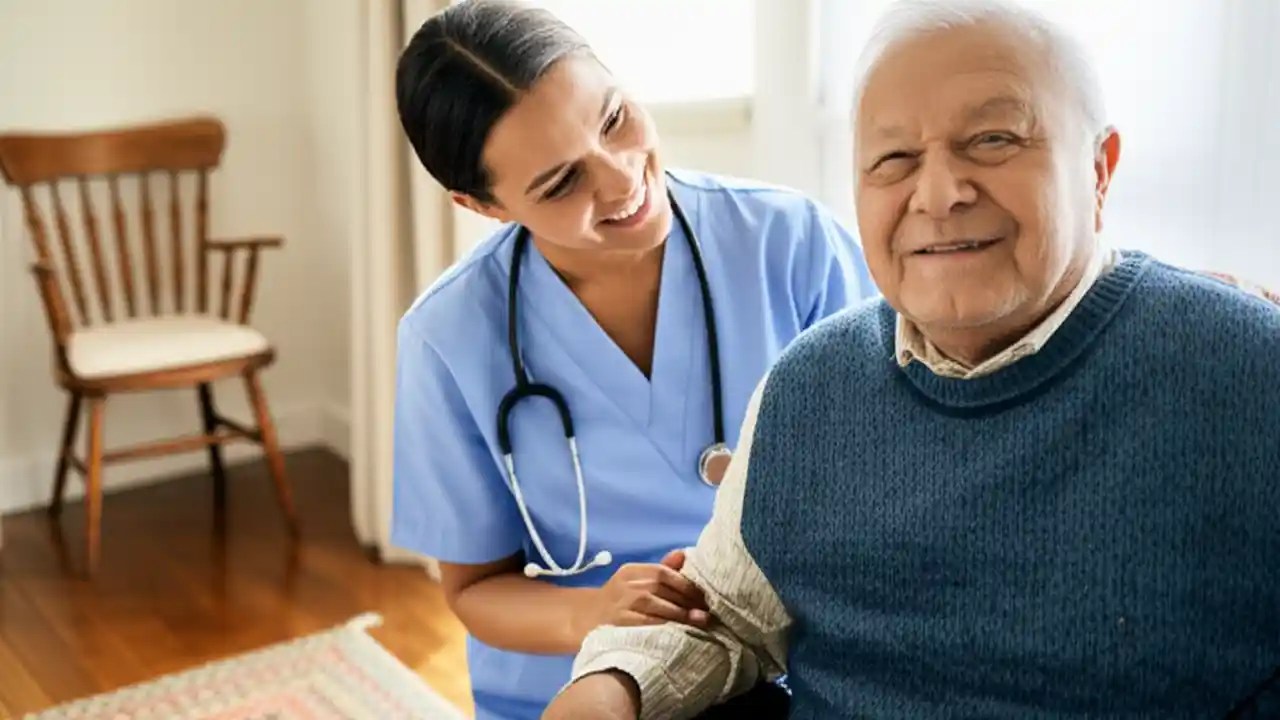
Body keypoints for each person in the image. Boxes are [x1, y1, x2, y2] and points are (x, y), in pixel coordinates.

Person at [545, 0, 1280, 718]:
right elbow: (728, 614)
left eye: (993, 140)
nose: (939, 194)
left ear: (1099, 170)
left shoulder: (1247, 371)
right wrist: (614, 689)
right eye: (893, 159)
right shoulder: (809, 385)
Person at [388, 1, 875, 717]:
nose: (621, 181)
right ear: (480, 204)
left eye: (614, 119)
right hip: (575, 682)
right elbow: (473, 588)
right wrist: (592, 613)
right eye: (561, 183)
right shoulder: (448, 336)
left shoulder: (789, 242)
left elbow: (894, 458)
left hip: (787, 659)